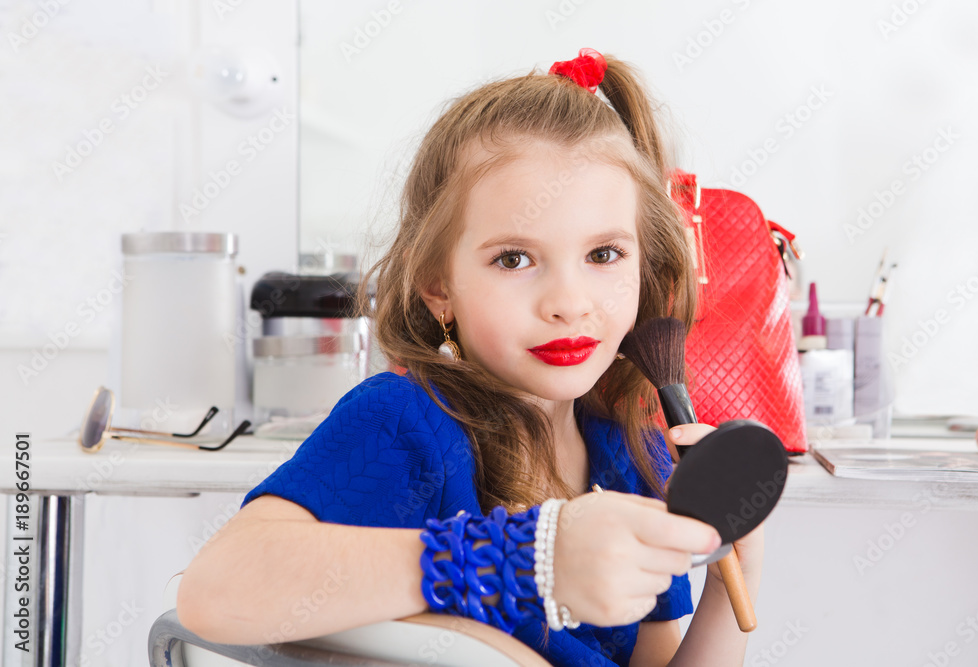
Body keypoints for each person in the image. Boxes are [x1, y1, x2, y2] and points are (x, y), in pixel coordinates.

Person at [177, 48, 763, 667]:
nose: (569, 303)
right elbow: (217, 590)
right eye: (513, 259)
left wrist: (730, 586)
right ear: (439, 286)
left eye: (604, 255)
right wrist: (527, 558)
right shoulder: (407, 424)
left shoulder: (626, 452)